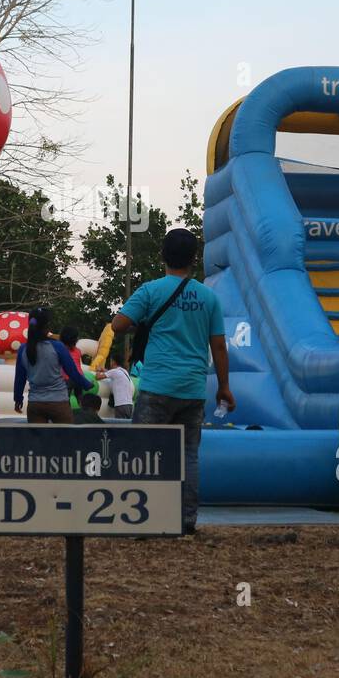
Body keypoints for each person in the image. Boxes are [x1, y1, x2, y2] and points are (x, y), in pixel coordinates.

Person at [112, 228, 234, 535]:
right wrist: (224, 387)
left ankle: (142, 519)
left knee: (143, 453)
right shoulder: (209, 297)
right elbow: (219, 346)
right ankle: (186, 520)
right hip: (193, 389)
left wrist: (143, 322)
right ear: (194, 258)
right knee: (188, 455)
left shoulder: (151, 290)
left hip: (156, 387)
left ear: (162, 256)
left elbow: (119, 324)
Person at [13, 306, 92, 423]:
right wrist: (87, 384)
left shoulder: (23, 349)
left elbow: (20, 378)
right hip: (58, 402)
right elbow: (72, 372)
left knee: (38, 436)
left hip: (35, 404)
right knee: (66, 434)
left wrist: (18, 399)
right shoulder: (57, 346)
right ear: (47, 327)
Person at [97, 352, 135, 417]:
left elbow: (98, 377)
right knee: (126, 423)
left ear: (113, 362)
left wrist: (98, 371)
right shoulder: (124, 371)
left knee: (119, 423)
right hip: (129, 405)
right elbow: (111, 373)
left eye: (111, 360)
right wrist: (104, 370)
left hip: (121, 405)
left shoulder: (114, 371)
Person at [59, 325, 85, 395]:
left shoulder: (60, 350)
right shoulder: (78, 351)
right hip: (79, 376)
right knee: (79, 397)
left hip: (67, 377)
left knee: (65, 397)